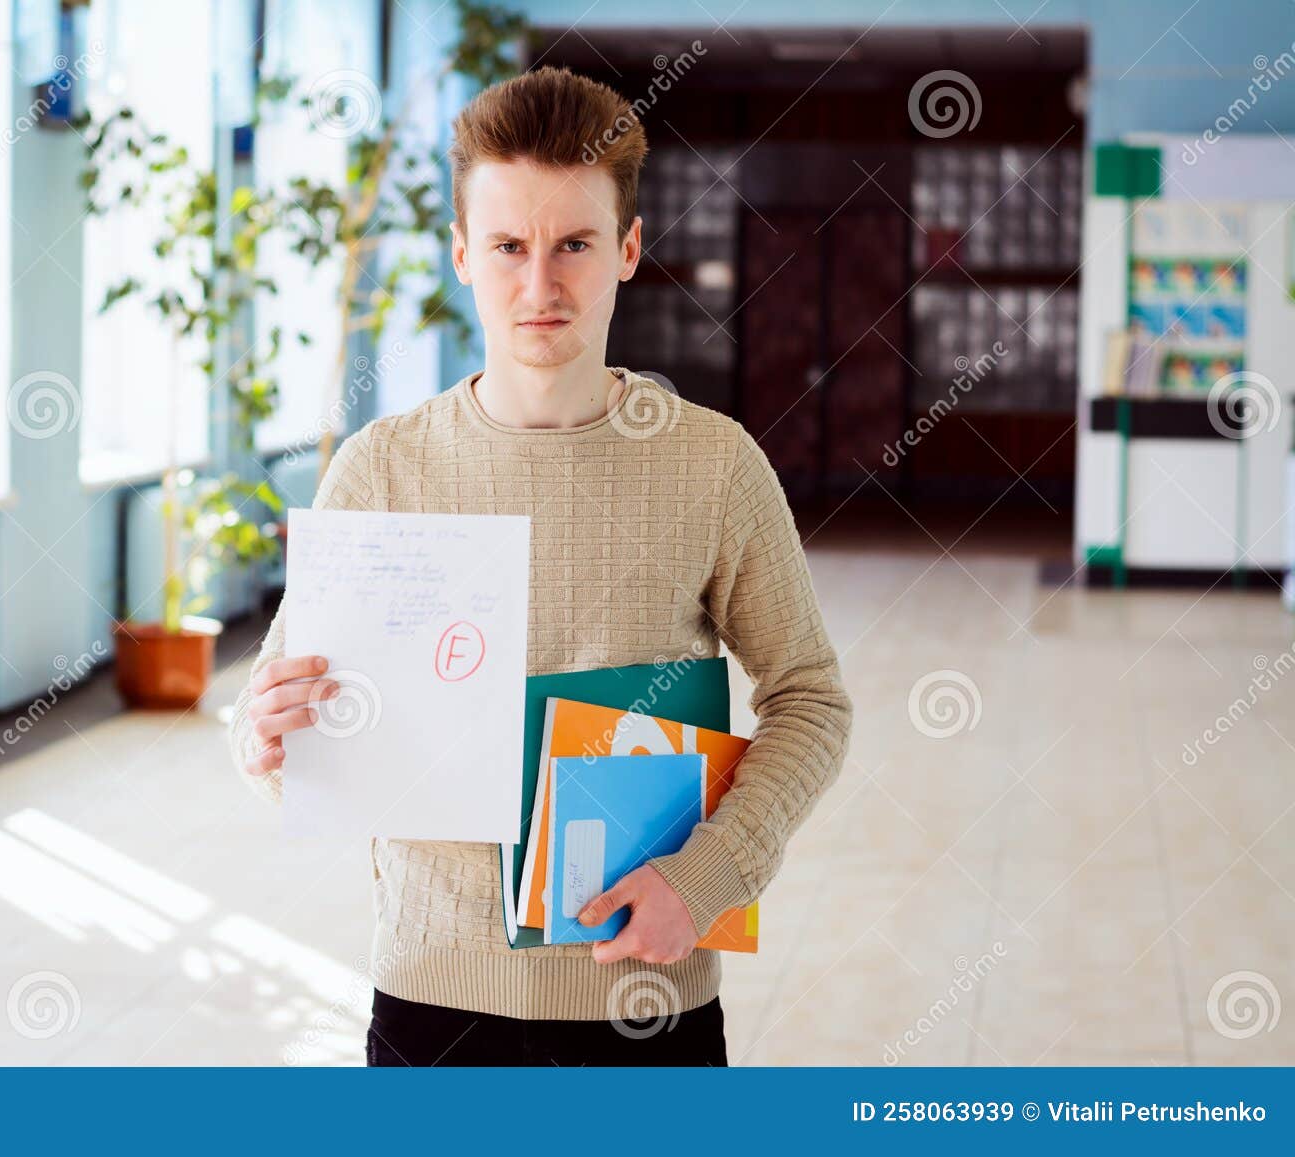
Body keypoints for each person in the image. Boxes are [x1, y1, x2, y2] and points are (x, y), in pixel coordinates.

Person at [228, 65, 853, 1067]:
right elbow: (282, 723)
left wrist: (706, 877)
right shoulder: (381, 468)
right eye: (510, 247)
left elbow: (811, 697)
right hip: (431, 1003)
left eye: (573, 245)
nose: (540, 285)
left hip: (646, 996)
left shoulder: (714, 464)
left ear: (629, 249)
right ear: (463, 254)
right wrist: (259, 736)